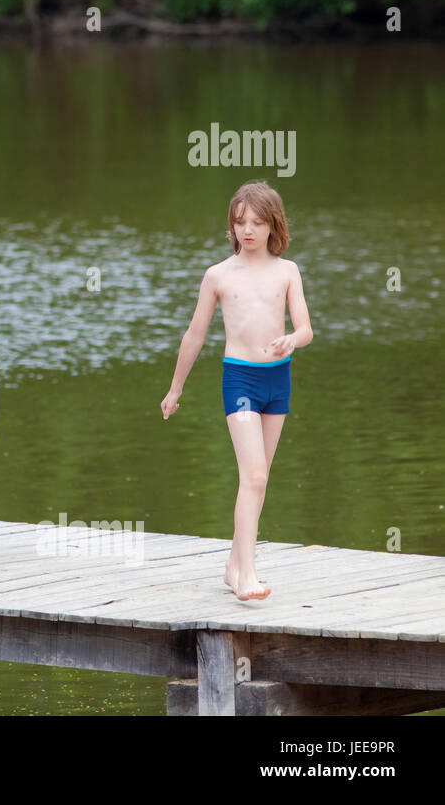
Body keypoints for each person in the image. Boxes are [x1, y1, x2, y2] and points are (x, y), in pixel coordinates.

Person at [160, 180, 313, 601]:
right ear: (232, 224)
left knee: (259, 481)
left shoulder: (287, 271)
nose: (247, 230)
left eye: (257, 222)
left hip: (277, 381)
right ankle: (247, 574)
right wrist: (176, 389)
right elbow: (194, 335)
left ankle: (233, 563)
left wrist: (291, 340)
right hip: (240, 379)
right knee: (255, 473)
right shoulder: (218, 276)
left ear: (272, 225)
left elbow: (305, 328)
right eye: (240, 222)